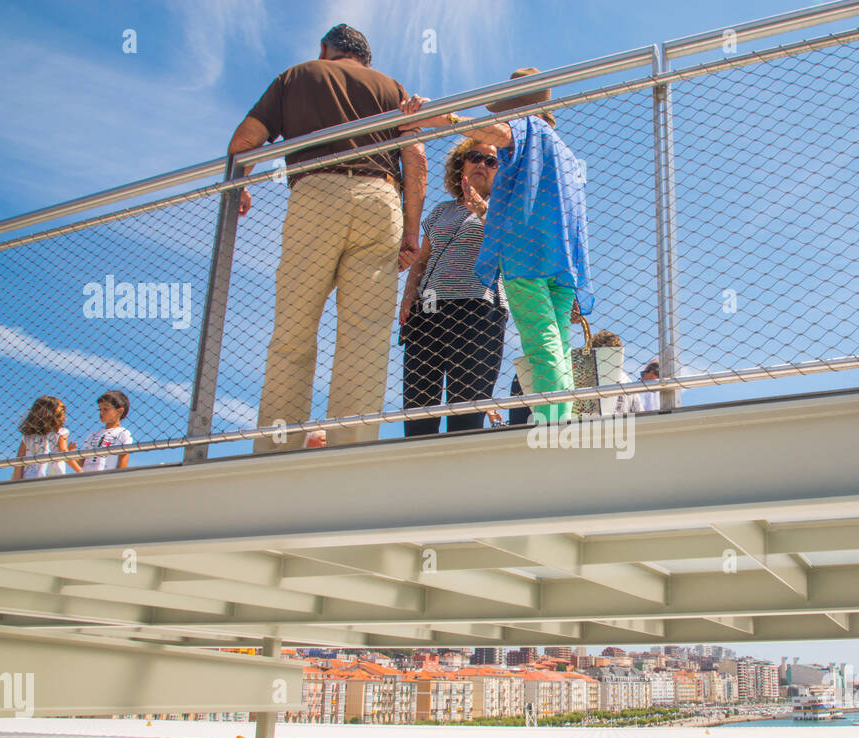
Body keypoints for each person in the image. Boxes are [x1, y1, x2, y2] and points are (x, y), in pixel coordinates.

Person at [227, 23, 427, 452]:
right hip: (381, 198)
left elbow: (245, 140)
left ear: (325, 50)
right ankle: (348, 453)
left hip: (316, 193)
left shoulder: (298, 76)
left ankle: (276, 449)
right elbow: (415, 157)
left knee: (293, 332)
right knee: (366, 337)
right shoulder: (393, 88)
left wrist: (240, 182)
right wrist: (411, 230)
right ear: (363, 59)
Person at [401, 67, 592, 424]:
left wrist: (442, 117)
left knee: (540, 340)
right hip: (562, 259)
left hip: (525, 255)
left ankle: (553, 420)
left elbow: (496, 131)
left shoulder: (525, 128)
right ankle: (564, 413)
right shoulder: (564, 154)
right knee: (559, 341)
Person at [398, 139, 507, 435]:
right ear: (462, 164)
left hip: (478, 309)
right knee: (419, 407)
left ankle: (462, 474)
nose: (482, 164)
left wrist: (483, 210)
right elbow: (422, 260)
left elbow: (512, 249)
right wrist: (408, 299)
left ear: (501, 171)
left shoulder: (504, 210)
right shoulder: (440, 211)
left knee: (467, 408)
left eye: (491, 161)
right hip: (429, 309)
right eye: (475, 157)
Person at [12, 396, 77, 480]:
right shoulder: (60, 432)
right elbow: (63, 452)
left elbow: (19, 460)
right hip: (52, 477)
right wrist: (80, 471)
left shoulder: (28, 437)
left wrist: (16, 480)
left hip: (29, 478)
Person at [78, 390, 134, 472]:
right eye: (100, 409)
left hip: (106, 477)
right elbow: (83, 462)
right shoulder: (93, 434)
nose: (101, 413)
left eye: (105, 409)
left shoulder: (123, 433)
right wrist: (71, 453)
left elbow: (123, 459)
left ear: (119, 411)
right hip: (87, 477)